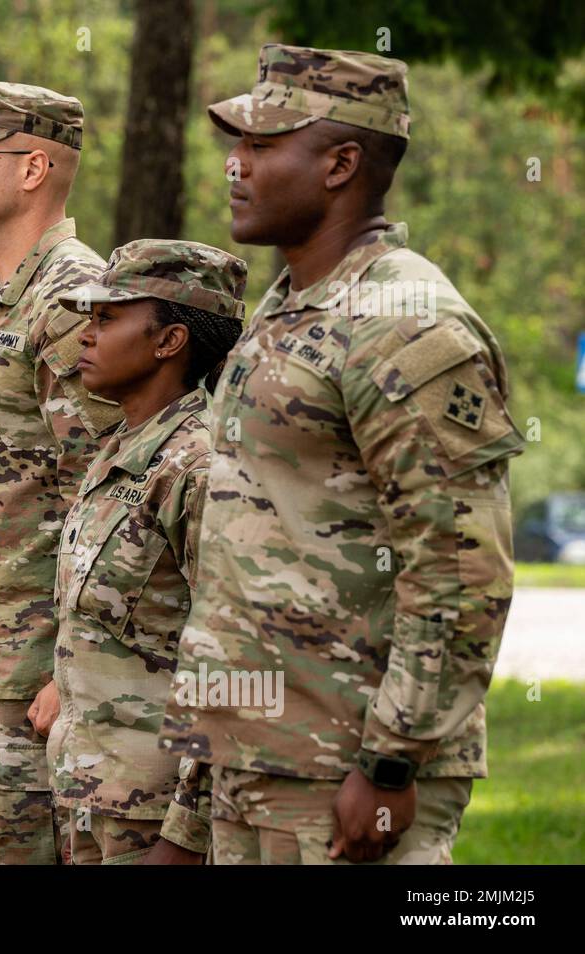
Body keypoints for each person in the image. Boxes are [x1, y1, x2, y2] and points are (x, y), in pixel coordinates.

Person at [158, 44, 526, 864]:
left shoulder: (407, 322)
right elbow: (242, 564)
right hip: (253, 760)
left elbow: (461, 566)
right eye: (237, 145)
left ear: (341, 165)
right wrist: (198, 785)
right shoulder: (284, 311)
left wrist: (394, 757)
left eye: (261, 146)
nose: (235, 165)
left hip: (348, 774)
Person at [0, 79, 125, 864]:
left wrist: (75, 669)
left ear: (34, 170)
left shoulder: (71, 300)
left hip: (38, 677)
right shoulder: (6, 296)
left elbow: (113, 492)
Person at [34, 240, 246, 865]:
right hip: (90, 799)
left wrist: (186, 836)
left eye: (106, 319)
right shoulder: (122, 451)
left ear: (169, 341)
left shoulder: (200, 467)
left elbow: (235, 664)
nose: (85, 337)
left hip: (156, 819)